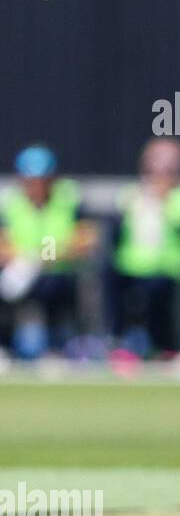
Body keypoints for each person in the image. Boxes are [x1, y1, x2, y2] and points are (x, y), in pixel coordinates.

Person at [103, 138, 180, 357]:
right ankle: (118, 342)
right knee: (109, 276)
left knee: (158, 290)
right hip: (131, 268)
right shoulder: (131, 195)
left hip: (171, 271)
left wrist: (167, 208)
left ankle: (165, 348)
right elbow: (114, 237)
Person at [0, 145, 97, 357]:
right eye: (31, 180)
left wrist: (46, 256)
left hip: (59, 273)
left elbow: (86, 239)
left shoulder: (69, 199)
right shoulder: (10, 203)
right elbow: (3, 243)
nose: (37, 186)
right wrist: (22, 261)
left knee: (54, 287)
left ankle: (56, 348)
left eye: (42, 179)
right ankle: (5, 347)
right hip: (20, 274)